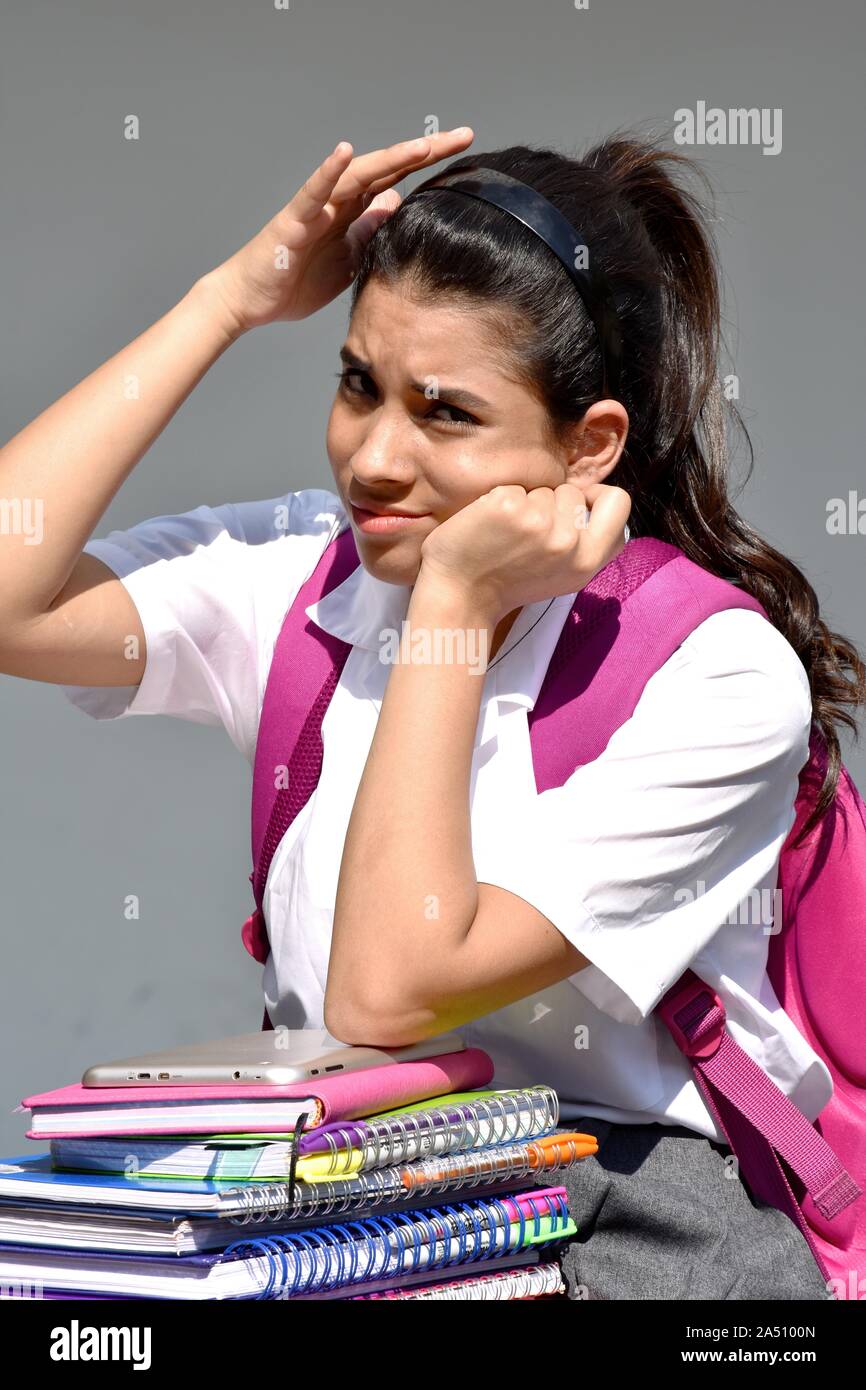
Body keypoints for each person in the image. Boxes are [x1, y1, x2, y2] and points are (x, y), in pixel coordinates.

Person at [1, 127, 863, 1300]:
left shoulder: (710, 674)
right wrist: (226, 301)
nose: (373, 459)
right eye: (358, 384)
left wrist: (454, 602)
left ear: (586, 449)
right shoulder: (306, 576)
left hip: (624, 1233)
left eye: (443, 412)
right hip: (352, 1210)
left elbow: (386, 989)